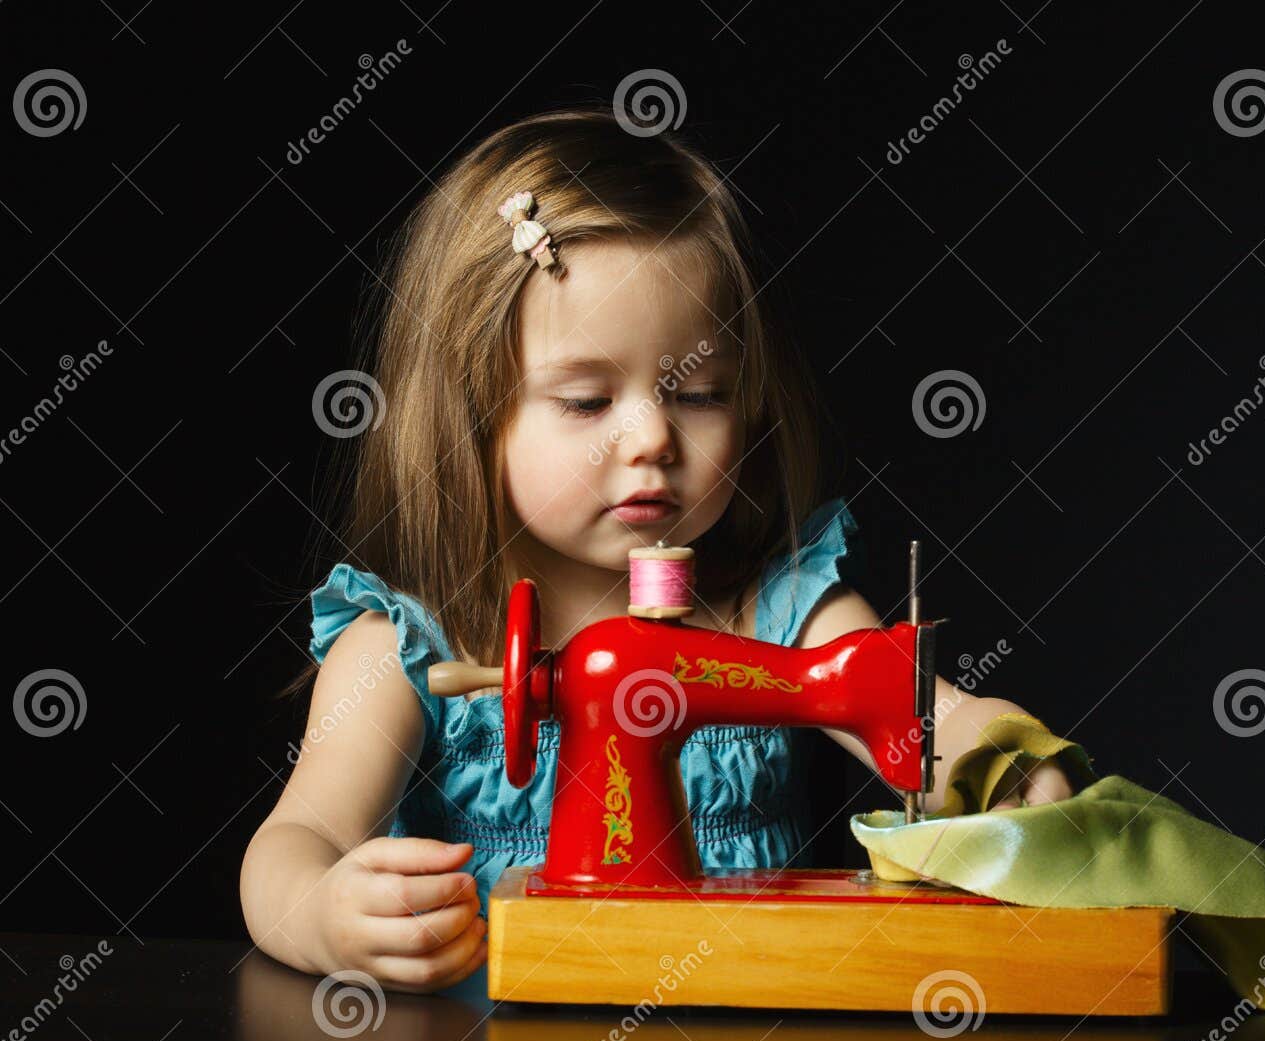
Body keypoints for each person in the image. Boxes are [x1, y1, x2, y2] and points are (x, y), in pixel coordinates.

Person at [239, 107, 1075, 994]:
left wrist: (1004, 762)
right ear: (470, 417)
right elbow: (293, 845)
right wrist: (324, 917)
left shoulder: (789, 613)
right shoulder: (408, 650)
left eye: (700, 392)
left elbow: (929, 721)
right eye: (588, 402)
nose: (652, 438)